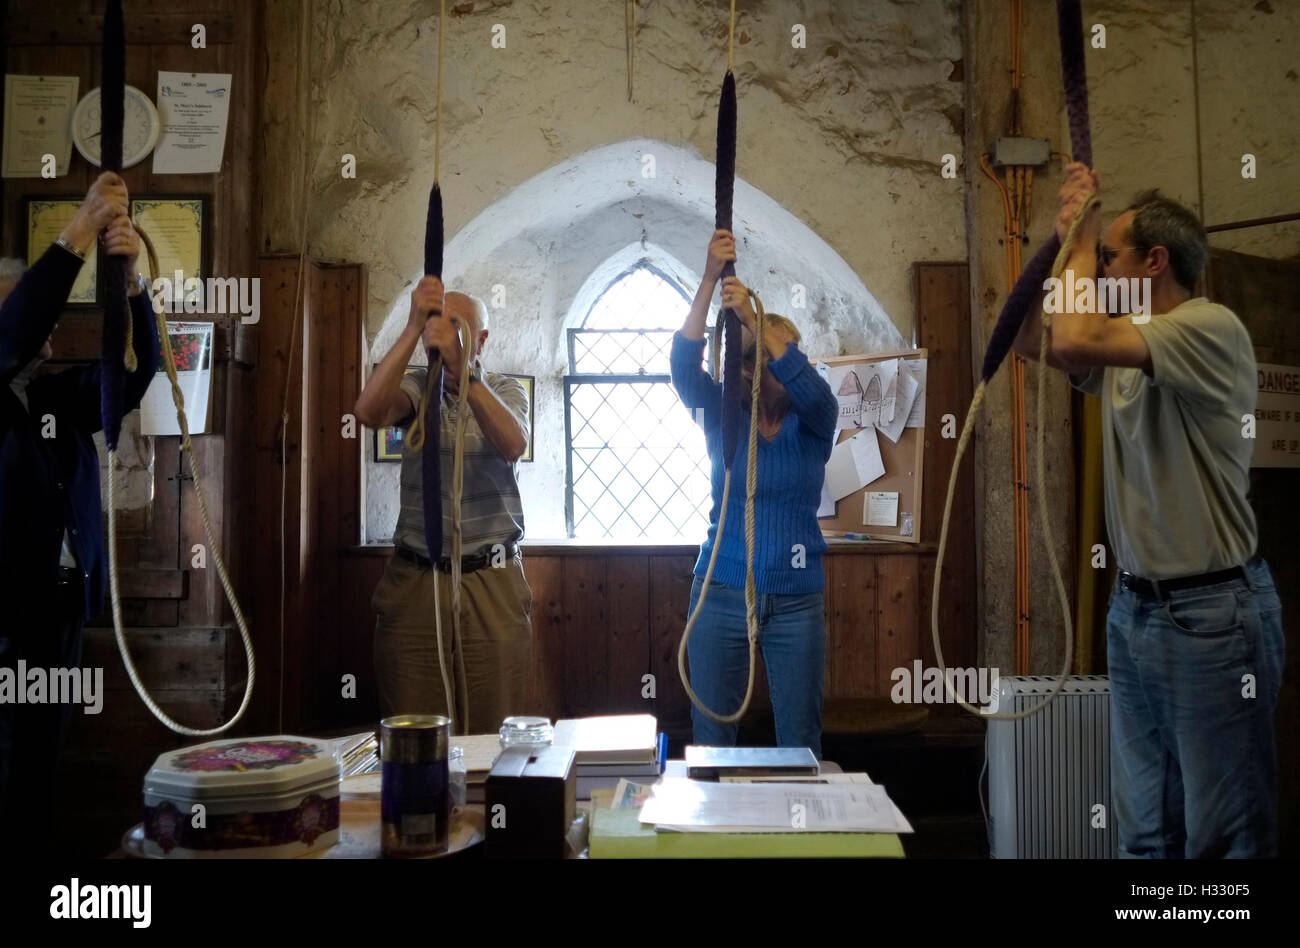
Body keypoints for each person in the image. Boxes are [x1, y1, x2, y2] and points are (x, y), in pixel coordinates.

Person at [1012, 164, 1285, 857]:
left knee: (1222, 842)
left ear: (1154, 262)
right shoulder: (1127, 347)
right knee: (1144, 834)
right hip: (1135, 611)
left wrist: (1079, 247)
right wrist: (1060, 242)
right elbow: (1026, 340)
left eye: (1111, 255)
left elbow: (1074, 339)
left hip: (1211, 616)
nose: (1099, 267)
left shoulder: (1207, 326)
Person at [0, 171, 160, 848]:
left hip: (57, 617)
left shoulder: (48, 400)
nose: (45, 327)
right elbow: (11, 335)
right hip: (6, 625)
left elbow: (131, 377)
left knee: (39, 781)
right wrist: (81, 227)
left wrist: (135, 289)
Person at [671, 229, 838, 757]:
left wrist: (756, 321)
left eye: (788, 358)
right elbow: (681, 367)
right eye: (757, 359)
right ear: (745, 370)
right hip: (719, 591)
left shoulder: (814, 422)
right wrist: (705, 281)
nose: (784, 369)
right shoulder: (725, 418)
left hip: (794, 601)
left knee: (800, 743)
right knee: (713, 742)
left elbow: (812, 389)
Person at [355, 277, 532, 734]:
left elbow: (514, 442)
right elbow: (368, 412)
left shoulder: (506, 390)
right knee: (413, 731)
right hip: (417, 582)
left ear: (483, 338)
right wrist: (413, 326)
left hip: (490, 580)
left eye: (458, 327)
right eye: (440, 325)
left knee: (495, 727)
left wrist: (465, 373)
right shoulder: (417, 388)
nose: (447, 335)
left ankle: (489, 809)